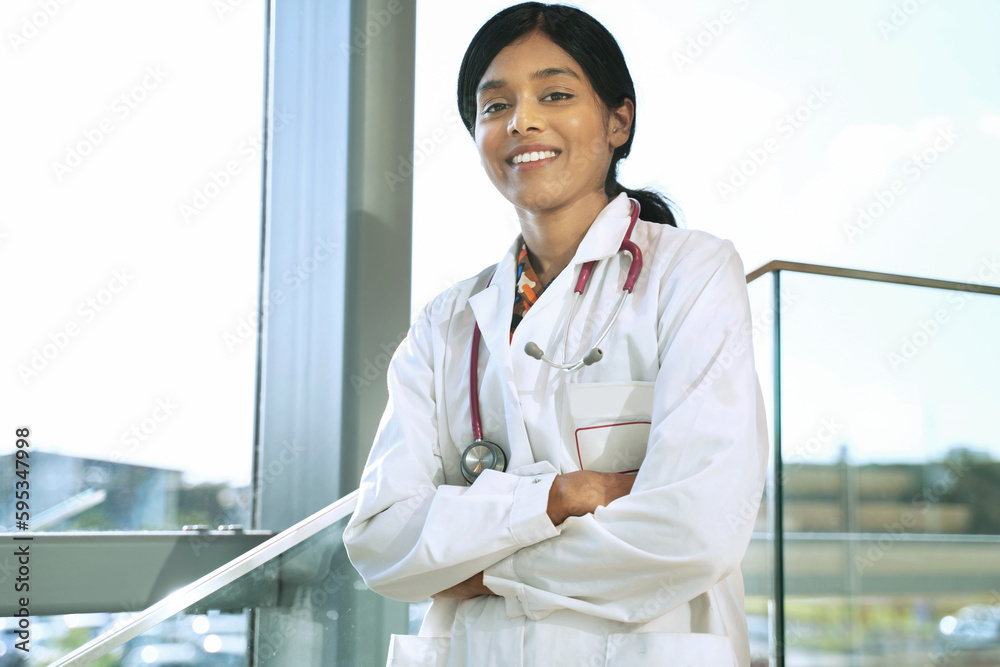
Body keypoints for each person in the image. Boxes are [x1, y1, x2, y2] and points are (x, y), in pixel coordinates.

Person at [343, 3, 769, 665]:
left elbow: (696, 528)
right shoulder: (447, 323)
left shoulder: (693, 273)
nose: (523, 121)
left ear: (618, 120)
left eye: (556, 94)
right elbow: (379, 541)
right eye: (494, 105)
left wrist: (482, 572)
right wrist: (560, 496)